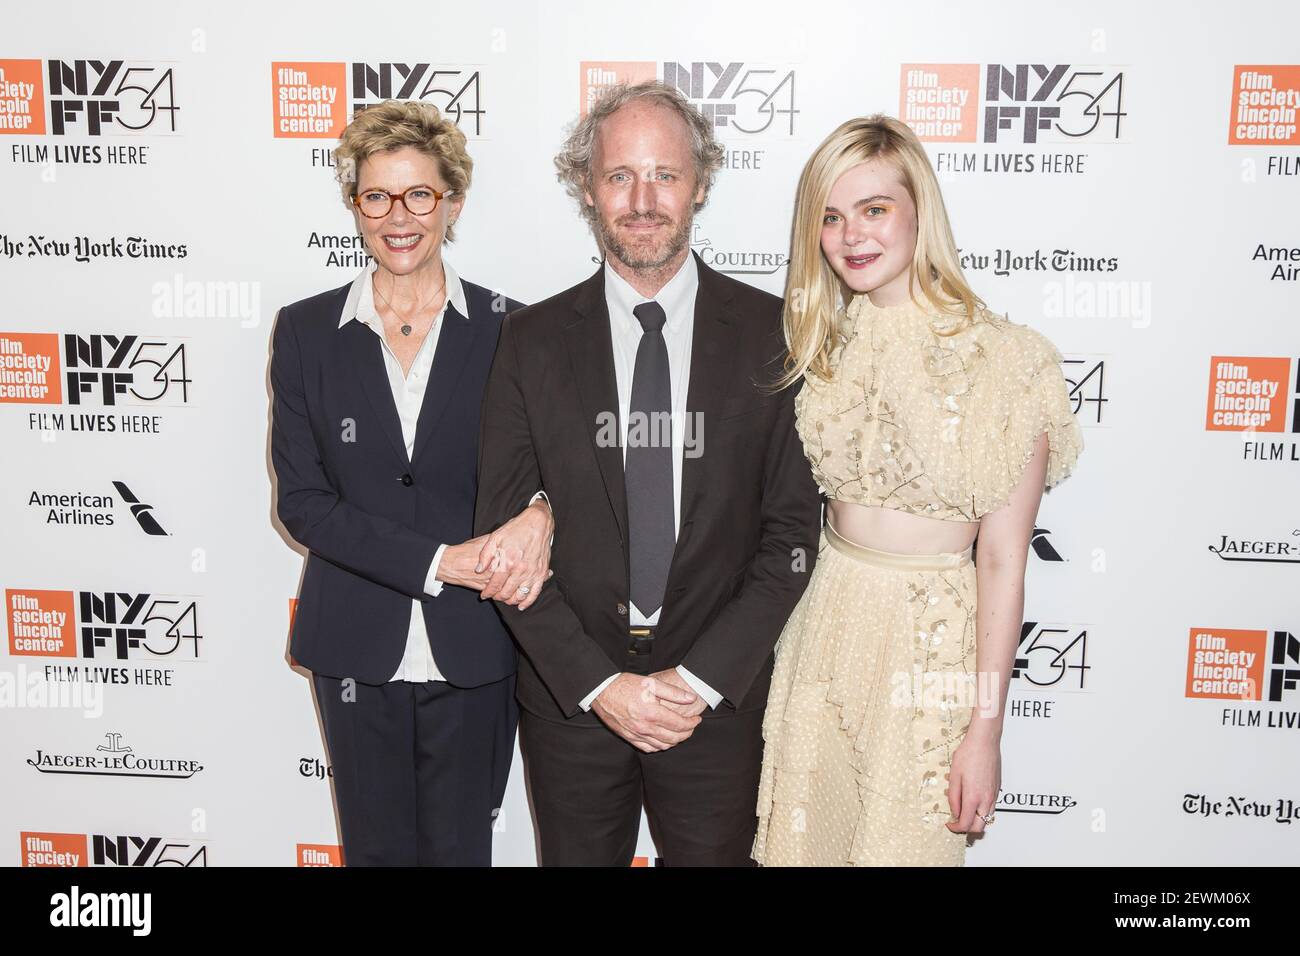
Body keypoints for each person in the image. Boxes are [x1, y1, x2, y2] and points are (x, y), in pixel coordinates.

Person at [473, 81, 822, 866]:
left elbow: (792, 537)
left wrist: (696, 683)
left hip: (715, 708)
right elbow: (500, 540)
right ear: (587, 189)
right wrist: (602, 686)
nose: (642, 199)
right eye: (618, 175)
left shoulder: (775, 336)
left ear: (700, 183)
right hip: (573, 705)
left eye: (664, 174)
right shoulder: (528, 342)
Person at [752, 115, 1084, 866]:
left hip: (928, 648)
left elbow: (1003, 561)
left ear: (917, 212)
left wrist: (986, 732)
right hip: (824, 626)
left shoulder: (1010, 362)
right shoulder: (821, 344)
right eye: (831, 217)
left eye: (874, 209)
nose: (850, 236)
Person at [270, 99, 552, 866]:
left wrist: (542, 511)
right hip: (355, 643)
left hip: (478, 644)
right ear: (355, 206)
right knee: (375, 853)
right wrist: (437, 562)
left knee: (464, 853)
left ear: (452, 202)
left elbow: (554, 472)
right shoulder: (304, 331)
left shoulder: (512, 327)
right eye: (377, 196)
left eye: (419, 194)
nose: (399, 217)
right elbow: (302, 501)